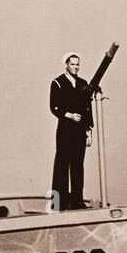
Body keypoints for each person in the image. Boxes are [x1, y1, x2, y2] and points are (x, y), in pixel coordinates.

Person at [49, 52, 94, 210]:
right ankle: (57, 204)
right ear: (66, 65)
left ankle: (77, 202)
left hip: (80, 132)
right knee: (61, 165)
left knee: (77, 166)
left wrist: (89, 131)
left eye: (77, 64)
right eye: (73, 64)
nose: (76, 67)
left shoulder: (83, 83)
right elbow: (54, 107)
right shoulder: (57, 83)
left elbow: (88, 109)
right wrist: (69, 115)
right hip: (65, 130)